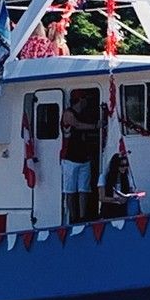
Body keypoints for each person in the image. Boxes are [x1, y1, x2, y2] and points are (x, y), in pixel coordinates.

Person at [61, 91, 97, 223]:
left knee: (84, 189)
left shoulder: (84, 115)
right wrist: (95, 126)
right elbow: (76, 124)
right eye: (85, 99)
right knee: (70, 190)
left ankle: (83, 217)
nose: (87, 102)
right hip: (69, 158)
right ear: (80, 99)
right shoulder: (68, 113)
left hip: (84, 158)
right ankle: (72, 217)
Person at [98, 153, 134, 219]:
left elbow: (131, 192)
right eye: (122, 165)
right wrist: (116, 200)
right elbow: (101, 197)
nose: (124, 167)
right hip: (108, 211)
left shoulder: (127, 177)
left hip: (122, 211)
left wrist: (126, 198)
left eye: (126, 165)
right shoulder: (104, 177)